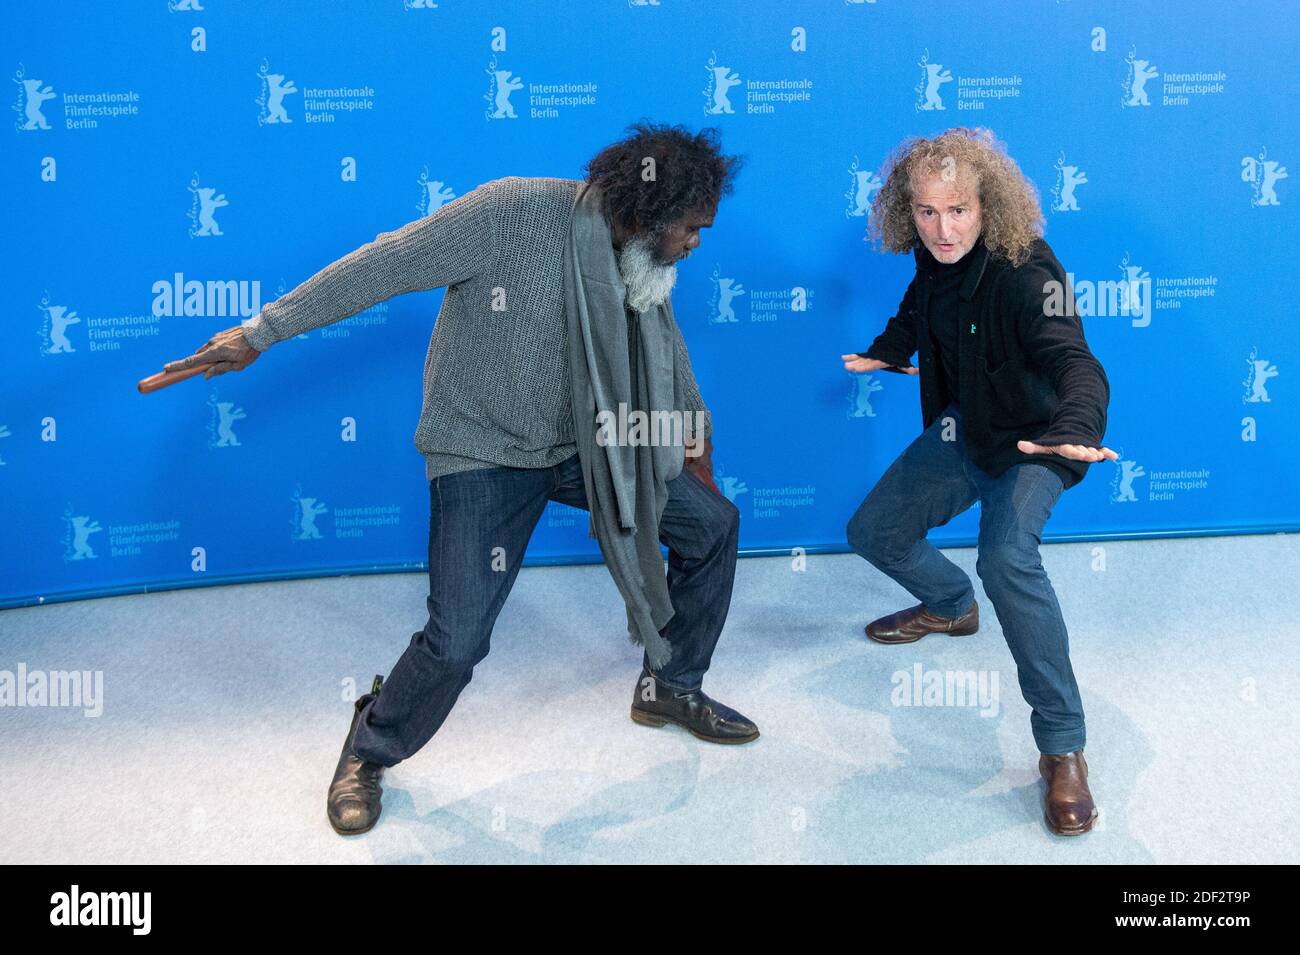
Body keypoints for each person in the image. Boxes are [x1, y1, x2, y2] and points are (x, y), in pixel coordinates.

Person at [162, 122, 758, 837]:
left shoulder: (638, 259)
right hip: (483, 447)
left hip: (587, 444)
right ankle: (370, 745)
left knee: (712, 525)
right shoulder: (511, 212)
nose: (696, 244)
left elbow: (665, 343)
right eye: (692, 229)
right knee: (457, 639)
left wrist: (695, 430)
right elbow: (383, 264)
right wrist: (262, 331)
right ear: (648, 213)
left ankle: (673, 686)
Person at [841, 127, 1115, 836]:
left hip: (1037, 439)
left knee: (1007, 556)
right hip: (972, 427)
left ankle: (1063, 747)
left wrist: (1075, 427)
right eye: (927, 212)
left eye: (957, 210)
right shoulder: (935, 261)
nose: (942, 228)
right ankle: (950, 603)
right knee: (872, 530)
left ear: (986, 205)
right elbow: (916, 309)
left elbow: (1076, 362)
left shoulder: (1029, 272)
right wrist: (887, 352)